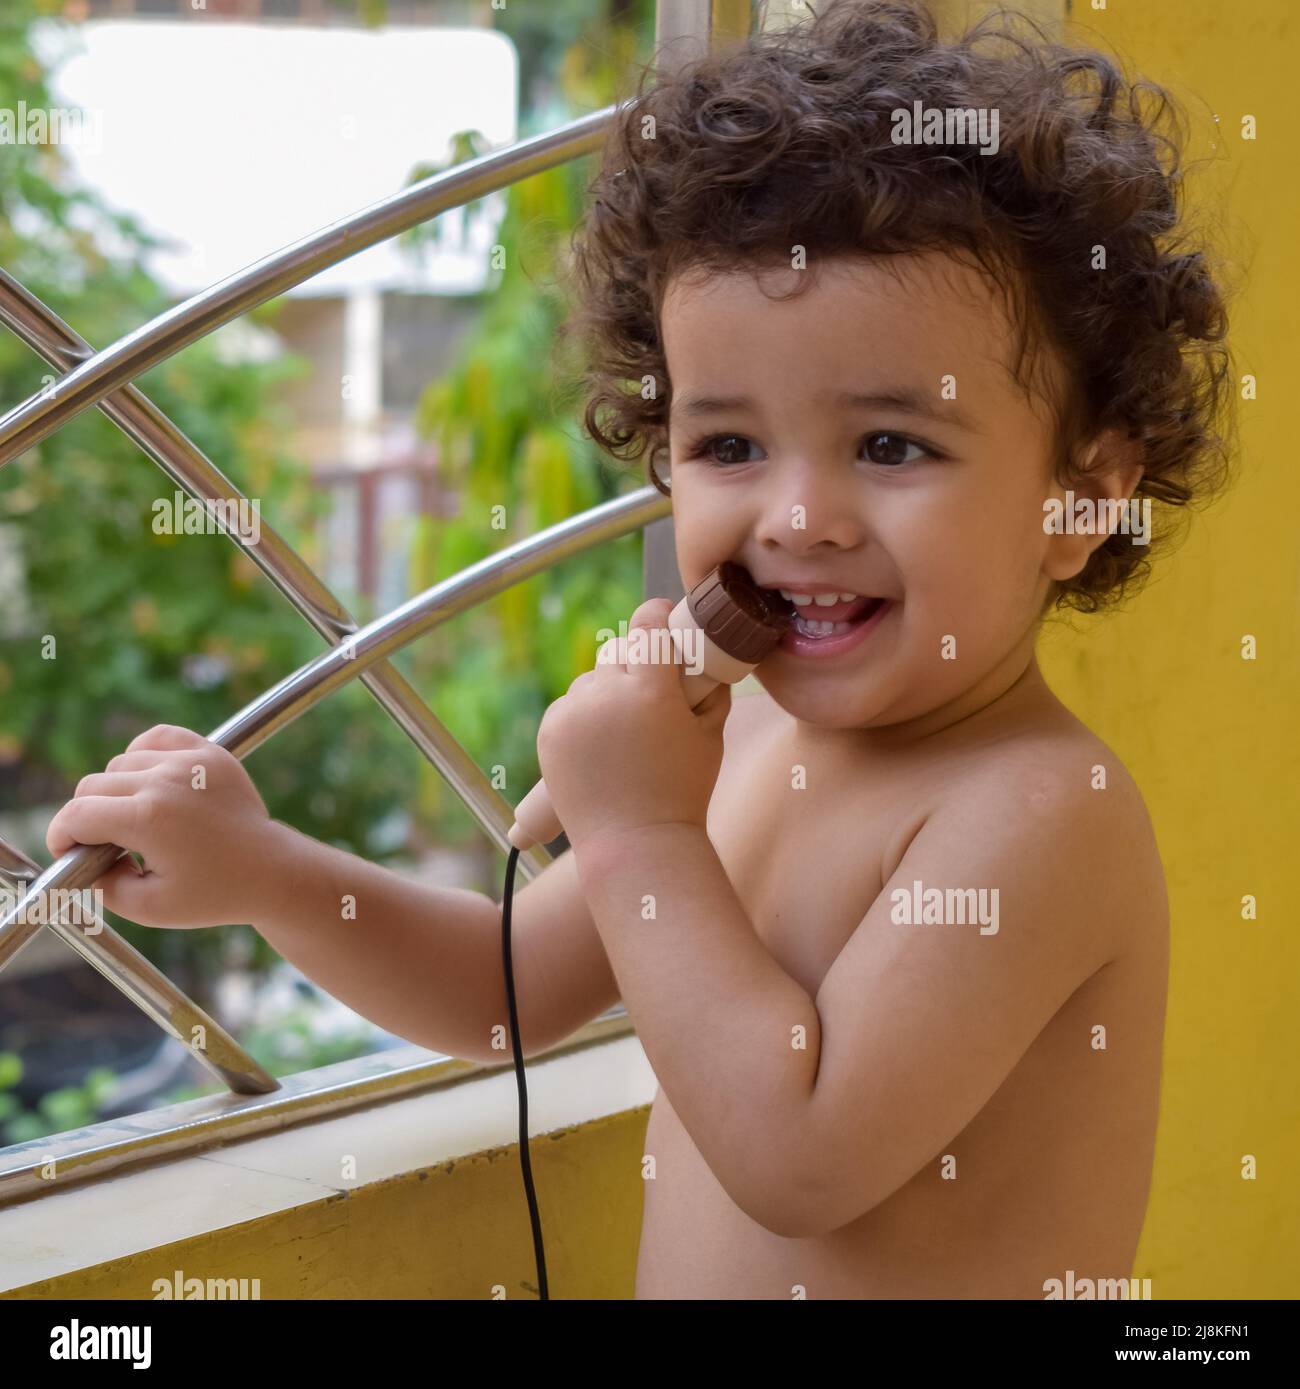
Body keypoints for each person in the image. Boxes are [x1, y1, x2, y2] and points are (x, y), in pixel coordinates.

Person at [46, 0, 1233, 1297]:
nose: (797, 520)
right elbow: (501, 991)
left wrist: (637, 834)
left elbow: (802, 1155)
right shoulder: (742, 736)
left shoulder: (1039, 811)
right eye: (730, 445)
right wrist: (269, 870)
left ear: (1083, 498)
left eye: (893, 445)